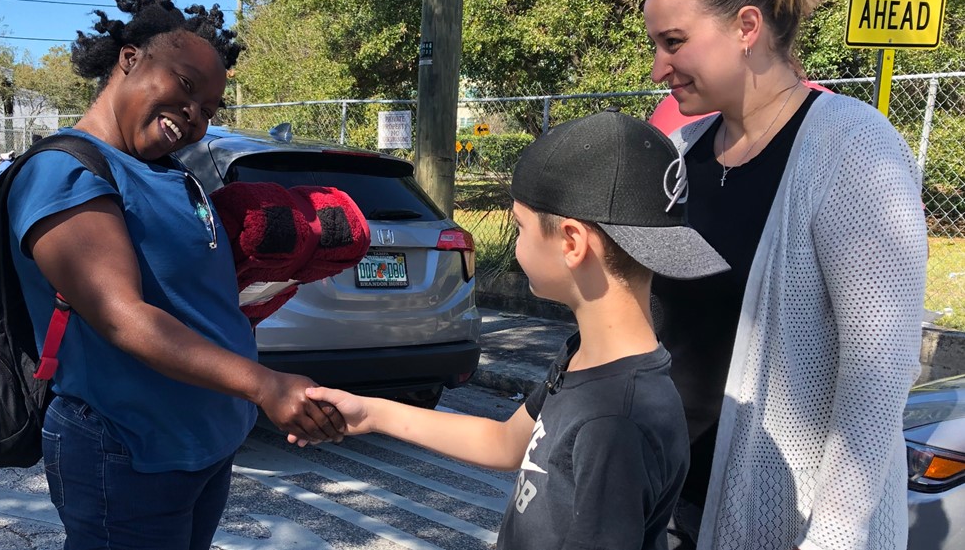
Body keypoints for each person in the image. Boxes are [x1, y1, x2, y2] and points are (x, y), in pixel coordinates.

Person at [5, 0, 344, 550]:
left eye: (207, 109)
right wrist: (264, 385)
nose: (192, 115)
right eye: (185, 87)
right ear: (130, 59)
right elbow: (120, 316)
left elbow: (194, 295)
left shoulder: (169, 172)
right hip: (127, 448)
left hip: (201, 442)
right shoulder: (66, 172)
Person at [302, 111, 730, 550]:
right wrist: (373, 412)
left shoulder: (615, 422)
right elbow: (507, 443)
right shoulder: (587, 355)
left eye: (520, 226)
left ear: (571, 243)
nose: (519, 243)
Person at [643, 0, 927, 550]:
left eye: (674, 41)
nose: (660, 67)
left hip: (795, 525)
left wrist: (834, 536)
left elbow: (878, 370)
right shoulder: (681, 154)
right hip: (675, 507)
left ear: (747, 27)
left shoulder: (853, 147)